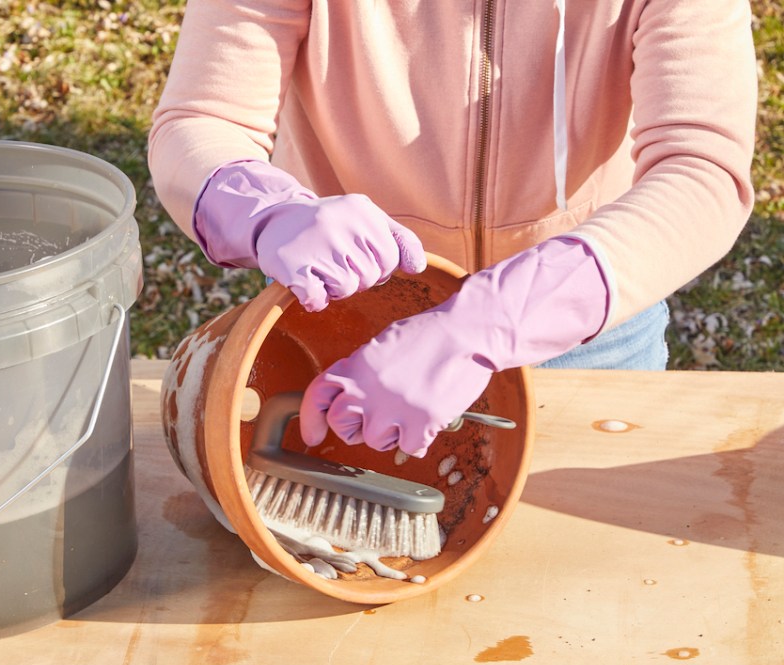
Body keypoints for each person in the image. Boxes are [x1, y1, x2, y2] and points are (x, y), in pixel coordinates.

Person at [148, 1, 757, 459]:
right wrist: (266, 209)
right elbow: (203, 118)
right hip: (348, 324)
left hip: (587, 334)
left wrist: (489, 318)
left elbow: (701, 170)